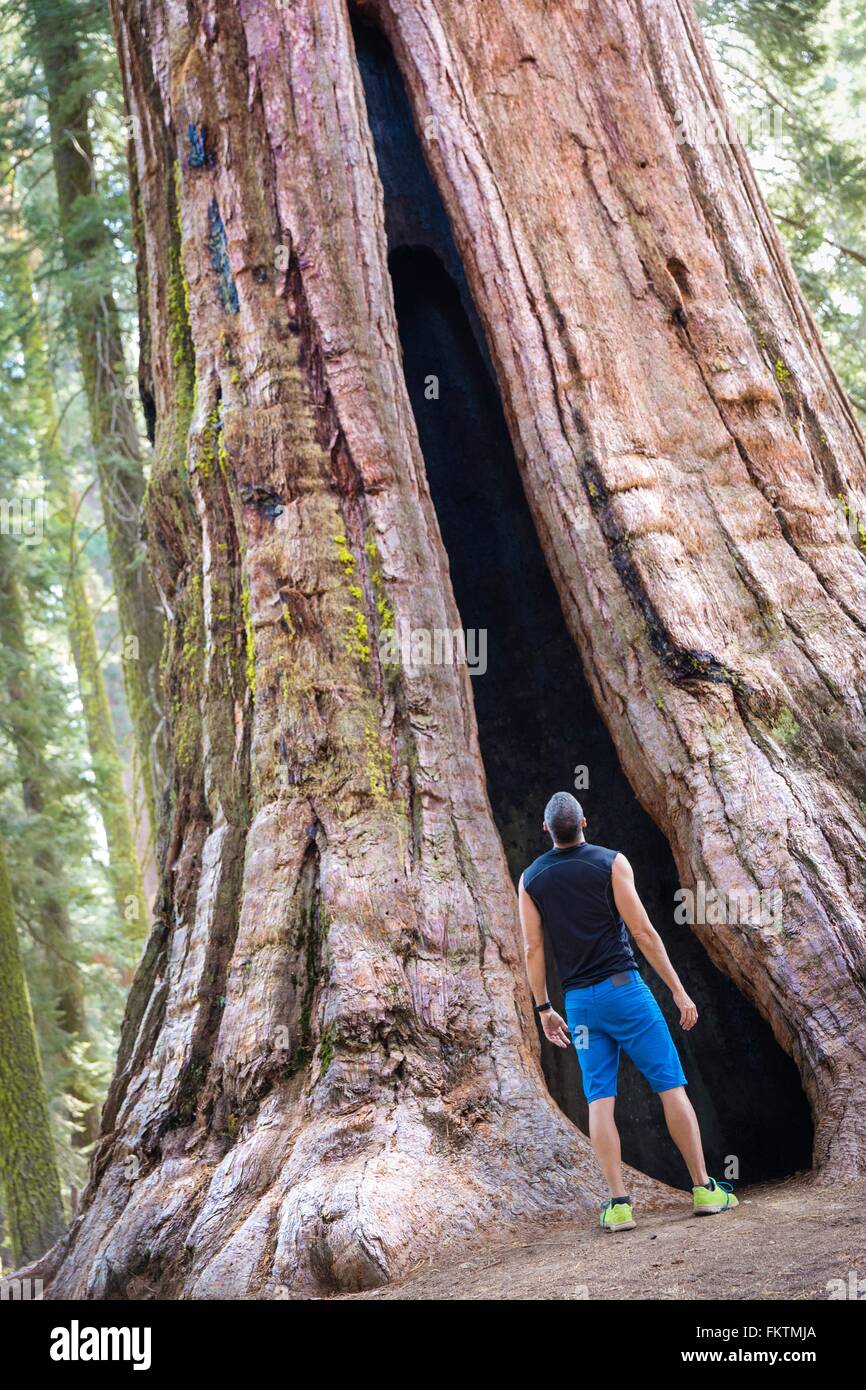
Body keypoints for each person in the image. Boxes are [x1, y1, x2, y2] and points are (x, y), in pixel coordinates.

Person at [518, 791, 738, 1232]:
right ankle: (703, 1189)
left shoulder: (530, 879)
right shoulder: (611, 862)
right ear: (585, 822)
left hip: (579, 1006)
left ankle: (618, 1205)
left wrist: (543, 1007)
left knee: (599, 1098)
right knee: (670, 1086)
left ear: (546, 830)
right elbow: (642, 931)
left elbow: (532, 947)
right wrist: (678, 991)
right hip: (627, 993)